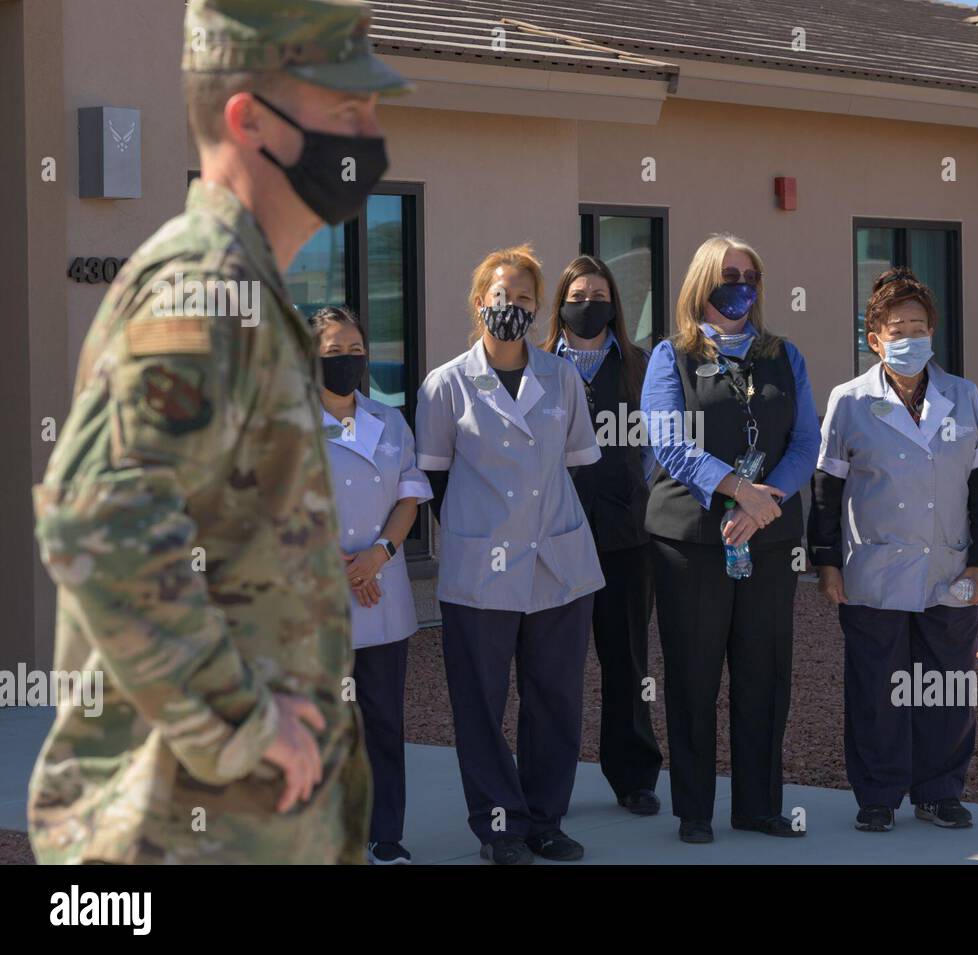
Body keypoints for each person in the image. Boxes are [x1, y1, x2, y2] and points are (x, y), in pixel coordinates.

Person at [27, 0, 410, 863]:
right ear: (248, 120)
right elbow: (101, 524)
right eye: (346, 110)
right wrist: (244, 722)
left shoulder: (254, 296)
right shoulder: (203, 290)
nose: (372, 132)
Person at [415, 245, 604, 865]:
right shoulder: (445, 385)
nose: (513, 307)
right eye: (503, 296)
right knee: (481, 703)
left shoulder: (562, 377)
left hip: (558, 563)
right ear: (480, 304)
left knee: (555, 699)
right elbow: (435, 482)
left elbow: (578, 466)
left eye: (526, 298)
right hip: (481, 570)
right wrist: (480, 534)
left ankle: (545, 821)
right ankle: (501, 828)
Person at [808, 266, 978, 834]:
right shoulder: (849, 401)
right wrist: (825, 561)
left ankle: (940, 791)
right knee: (877, 685)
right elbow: (827, 488)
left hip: (950, 565)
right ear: (875, 339)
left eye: (918, 326)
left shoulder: (963, 396)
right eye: (897, 328)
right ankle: (878, 795)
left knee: (948, 681)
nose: (909, 337)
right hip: (874, 569)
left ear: (933, 333)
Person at [641, 233, 819, 844]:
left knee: (764, 671)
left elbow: (804, 443)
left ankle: (759, 806)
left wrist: (762, 504)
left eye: (749, 274)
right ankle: (694, 809)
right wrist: (735, 491)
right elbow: (668, 440)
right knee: (693, 673)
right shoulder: (671, 355)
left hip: (767, 540)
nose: (740, 283)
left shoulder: (783, 355)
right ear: (702, 282)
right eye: (727, 274)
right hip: (690, 542)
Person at [543, 256, 664, 816]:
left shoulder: (643, 366)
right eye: (578, 293)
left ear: (614, 302)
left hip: (627, 538)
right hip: (554, 538)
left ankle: (634, 776)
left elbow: (663, 448)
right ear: (561, 304)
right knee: (550, 666)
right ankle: (546, 783)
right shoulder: (538, 367)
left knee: (628, 663)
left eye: (599, 294)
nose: (588, 303)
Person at [312, 305, 431, 865]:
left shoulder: (392, 420)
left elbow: (410, 495)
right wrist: (341, 565)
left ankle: (386, 835)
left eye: (355, 351)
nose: (346, 361)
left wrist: (376, 556)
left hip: (381, 594)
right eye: (333, 353)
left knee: (383, 720)